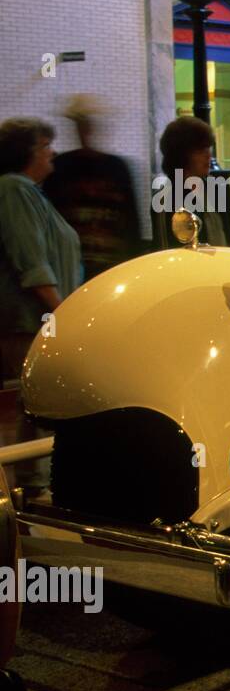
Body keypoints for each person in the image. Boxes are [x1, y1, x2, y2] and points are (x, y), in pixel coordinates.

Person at [0, 117, 83, 493]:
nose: (52, 152)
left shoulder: (31, 192)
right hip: (30, 321)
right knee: (34, 402)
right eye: (45, 145)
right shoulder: (14, 189)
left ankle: (32, 487)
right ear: (27, 153)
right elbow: (31, 260)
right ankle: (31, 491)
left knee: (31, 405)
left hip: (41, 318)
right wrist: (61, 310)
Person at [41, 94, 142, 279]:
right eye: (83, 124)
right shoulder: (60, 167)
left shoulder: (117, 168)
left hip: (108, 268)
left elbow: (132, 223)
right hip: (71, 267)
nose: (87, 130)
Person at [156, 116, 226, 247]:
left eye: (208, 148)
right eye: (200, 150)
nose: (208, 156)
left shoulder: (210, 189)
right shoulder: (167, 198)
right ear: (182, 155)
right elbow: (165, 251)